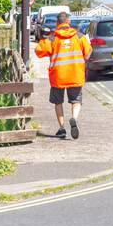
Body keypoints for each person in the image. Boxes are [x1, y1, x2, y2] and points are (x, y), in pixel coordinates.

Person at [34, 11, 93, 139]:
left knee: (58, 102)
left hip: (58, 76)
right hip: (75, 74)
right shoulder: (79, 36)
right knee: (76, 101)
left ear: (57, 23)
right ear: (69, 22)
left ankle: (61, 128)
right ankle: (74, 118)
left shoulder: (53, 37)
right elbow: (88, 54)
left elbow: (38, 51)